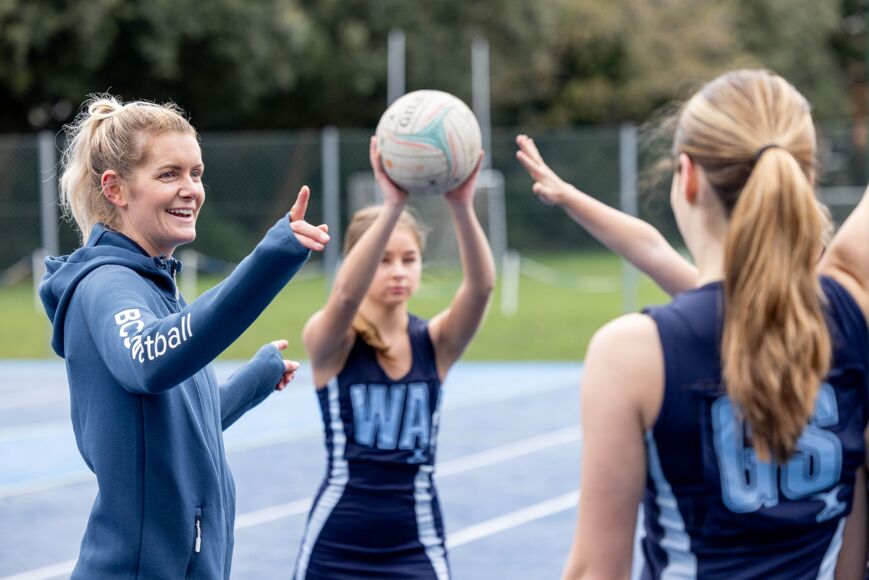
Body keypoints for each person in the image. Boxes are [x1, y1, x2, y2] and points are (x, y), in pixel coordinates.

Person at [521, 69, 869, 578]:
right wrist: (571, 197)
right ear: (806, 179)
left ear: (686, 176)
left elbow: (597, 570)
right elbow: (657, 252)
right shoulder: (849, 309)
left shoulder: (633, 355)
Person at [39, 95, 330, 579]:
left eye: (196, 174)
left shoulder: (155, 285)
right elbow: (151, 362)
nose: (190, 189)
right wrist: (269, 260)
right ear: (115, 188)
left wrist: (253, 381)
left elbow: (172, 427)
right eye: (169, 174)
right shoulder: (106, 284)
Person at [292, 137, 494, 579]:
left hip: (415, 539)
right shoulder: (332, 341)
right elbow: (345, 295)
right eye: (383, 260)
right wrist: (393, 207)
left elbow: (480, 290)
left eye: (409, 259)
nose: (399, 271)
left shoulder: (434, 342)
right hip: (337, 543)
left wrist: (461, 206)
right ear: (360, 263)